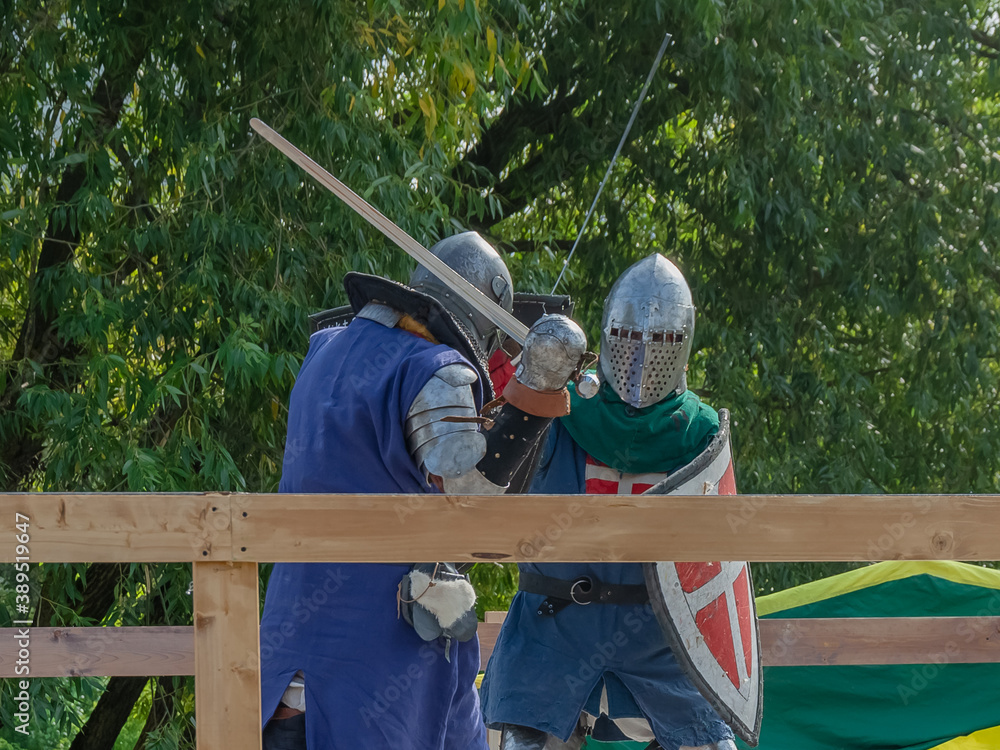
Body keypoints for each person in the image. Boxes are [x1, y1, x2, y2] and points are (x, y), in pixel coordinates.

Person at [258, 231, 587, 750]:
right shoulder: (434, 369)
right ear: (486, 308)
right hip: (373, 664)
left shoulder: (323, 351)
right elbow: (467, 501)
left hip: (287, 647)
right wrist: (536, 393)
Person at [480, 253, 740, 750]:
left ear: (682, 345)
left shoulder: (702, 432)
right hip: (554, 628)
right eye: (630, 338)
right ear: (606, 335)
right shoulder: (561, 403)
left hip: (661, 639)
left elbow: (716, 561)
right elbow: (493, 477)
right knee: (524, 745)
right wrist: (529, 387)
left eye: (661, 341)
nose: (643, 356)